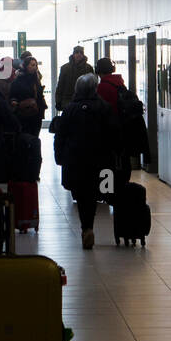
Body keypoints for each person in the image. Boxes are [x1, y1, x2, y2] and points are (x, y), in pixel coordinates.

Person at [54, 72, 120, 249]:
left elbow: (60, 136)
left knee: (83, 196)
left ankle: (87, 227)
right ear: (94, 89)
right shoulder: (104, 108)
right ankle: (105, 226)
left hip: (76, 160)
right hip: (101, 159)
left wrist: (59, 156)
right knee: (101, 191)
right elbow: (113, 134)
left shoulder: (70, 109)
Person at [9, 54, 47, 136]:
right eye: (32, 65)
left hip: (36, 114)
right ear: (26, 66)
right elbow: (13, 95)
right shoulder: (18, 80)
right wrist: (14, 102)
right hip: (23, 114)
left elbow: (39, 96)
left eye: (36, 65)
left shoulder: (36, 80)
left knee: (35, 137)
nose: (35, 67)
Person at [55, 46, 94, 112]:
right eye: (77, 52)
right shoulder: (65, 68)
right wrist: (58, 101)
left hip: (84, 101)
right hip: (67, 100)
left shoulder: (88, 68)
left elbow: (92, 85)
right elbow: (60, 86)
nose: (79, 54)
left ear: (83, 54)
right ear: (73, 54)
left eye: (81, 53)